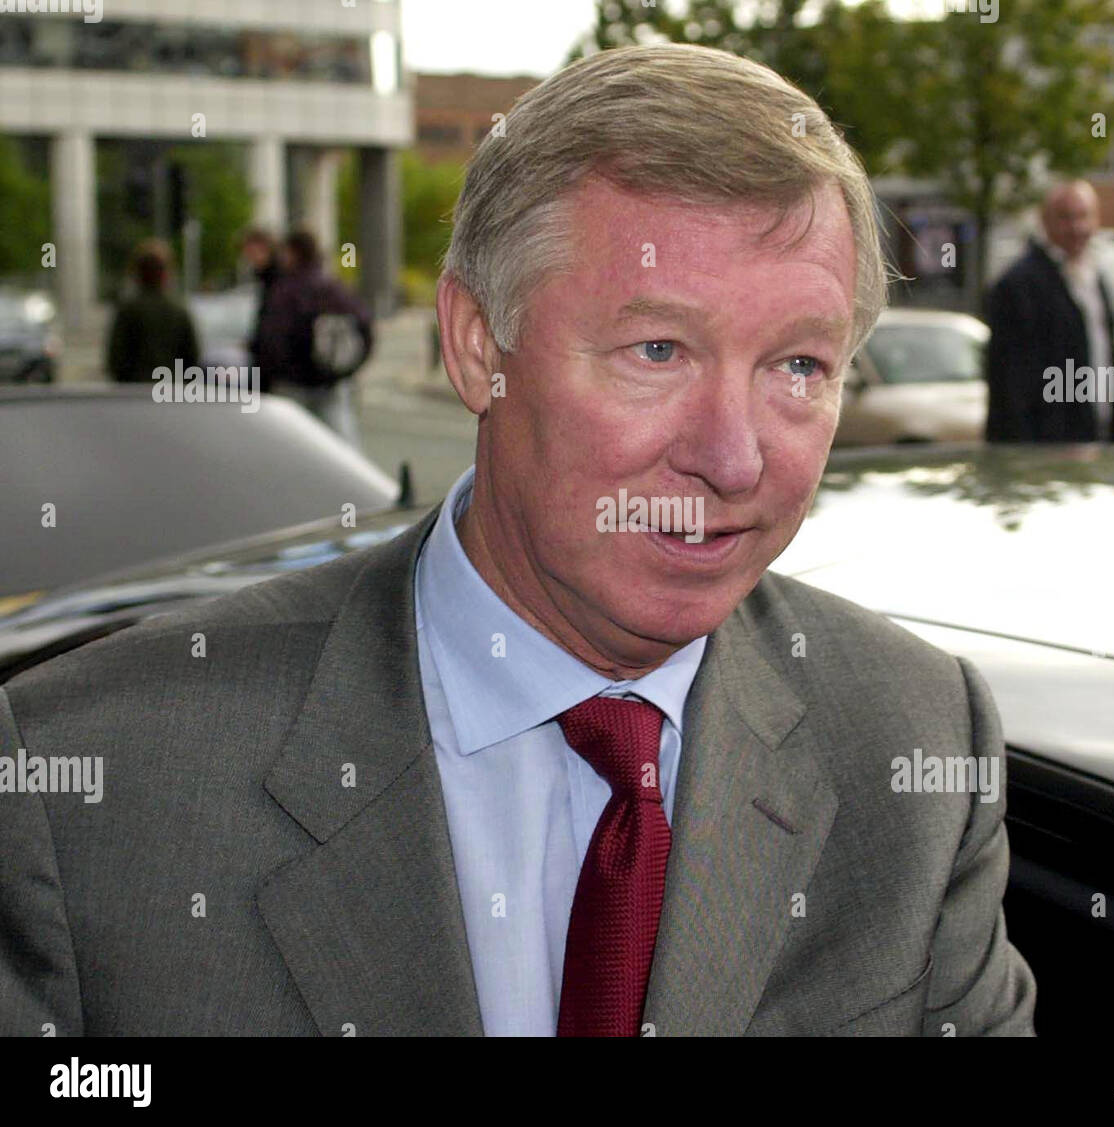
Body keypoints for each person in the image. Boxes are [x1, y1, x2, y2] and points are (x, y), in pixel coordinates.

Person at [0, 44, 1035, 1038]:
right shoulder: (87, 780)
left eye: (799, 366)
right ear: (475, 346)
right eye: (658, 348)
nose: (733, 457)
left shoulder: (917, 742)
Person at [984, 180, 1114, 443]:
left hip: (1099, 440)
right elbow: (1011, 384)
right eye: (1065, 217)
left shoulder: (1095, 276)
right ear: (1045, 221)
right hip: (1049, 452)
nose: (1076, 227)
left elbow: (1108, 356)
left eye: (1083, 216)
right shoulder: (1018, 285)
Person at [258, 228, 372, 445]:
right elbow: (364, 326)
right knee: (341, 451)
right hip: (332, 384)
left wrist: (274, 376)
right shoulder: (334, 288)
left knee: (289, 448)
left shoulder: (285, 291)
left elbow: (271, 340)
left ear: (292, 252)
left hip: (292, 385)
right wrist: (346, 370)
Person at [105, 238, 199, 383]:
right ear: (166, 273)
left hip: (132, 394)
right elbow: (192, 360)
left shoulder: (127, 311)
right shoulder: (179, 311)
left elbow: (115, 360)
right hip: (170, 393)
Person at [240, 226, 280, 392]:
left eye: (251, 252)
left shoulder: (276, 281)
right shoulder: (268, 280)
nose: (249, 258)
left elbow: (273, 324)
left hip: (271, 367)